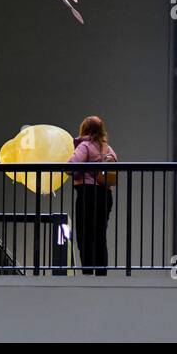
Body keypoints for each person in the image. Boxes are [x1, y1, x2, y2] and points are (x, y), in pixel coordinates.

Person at [68, 116, 118, 275]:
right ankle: (101, 272)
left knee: (85, 235)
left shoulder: (85, 146)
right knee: (100, 235)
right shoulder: (108, 149)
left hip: (87, 194)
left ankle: (88, 272)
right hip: (105, 195)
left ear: (84, 130)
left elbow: (70, 167)